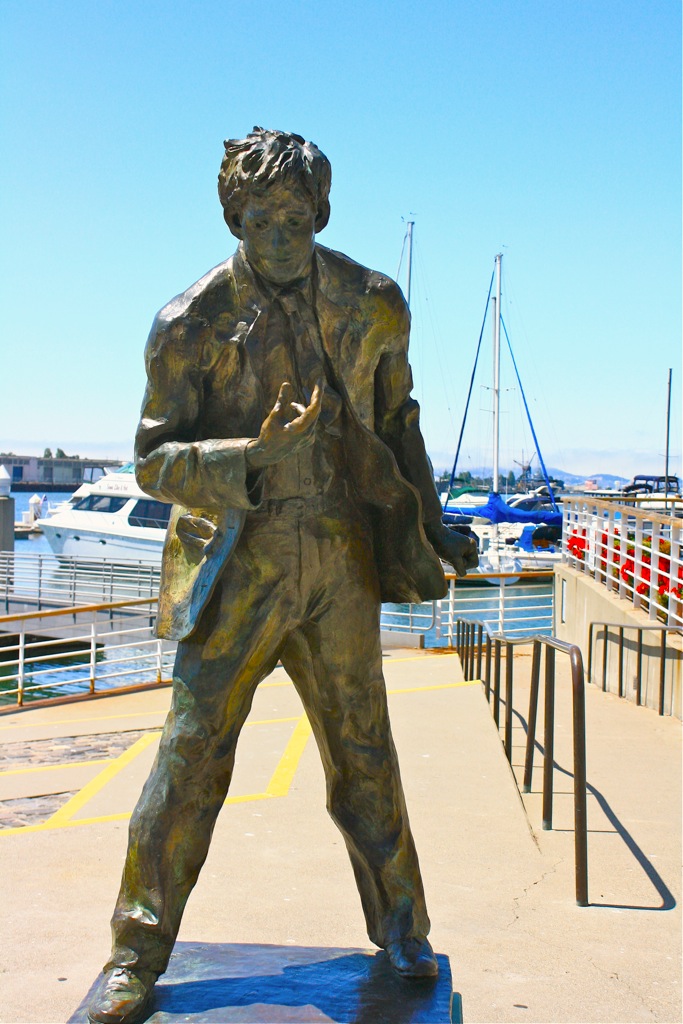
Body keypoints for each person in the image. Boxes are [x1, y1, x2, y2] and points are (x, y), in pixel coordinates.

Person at [88, 127, 478, 1024]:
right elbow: (153, 460)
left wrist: (431, 521)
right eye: (260, 220)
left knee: (365, 750)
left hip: (339, 554)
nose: (278, 239)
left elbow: (398, 420)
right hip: (239, 556)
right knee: (189, 758)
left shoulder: (372, 301)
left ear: (321, 214)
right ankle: (134, 954)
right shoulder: (188, 323)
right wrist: (244, 458)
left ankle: (404, 927)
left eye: (295, 220)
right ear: (233, 216)